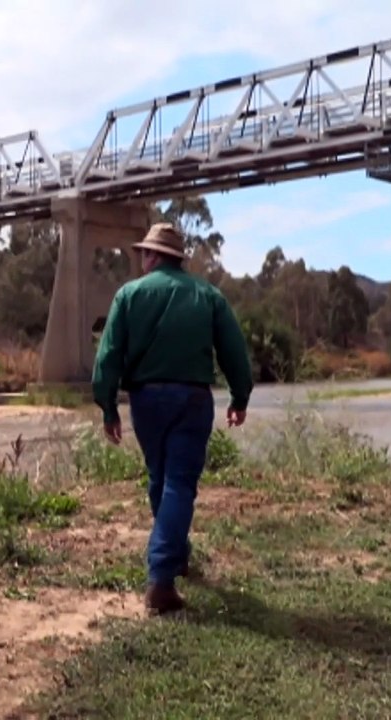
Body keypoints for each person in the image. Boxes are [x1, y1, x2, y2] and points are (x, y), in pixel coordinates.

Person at [91, 222, 254, 615]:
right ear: (177, 257)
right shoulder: (208, 296)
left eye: (143, 254)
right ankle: (162, 579)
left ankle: (174, 556)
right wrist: (240, 396)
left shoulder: (129, 294)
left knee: (160, 478)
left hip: (146, 401)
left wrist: (108, 406)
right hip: (192, 400)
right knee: (178, 484)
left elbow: (108, 356)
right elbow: (234, 349)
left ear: (150, 256)